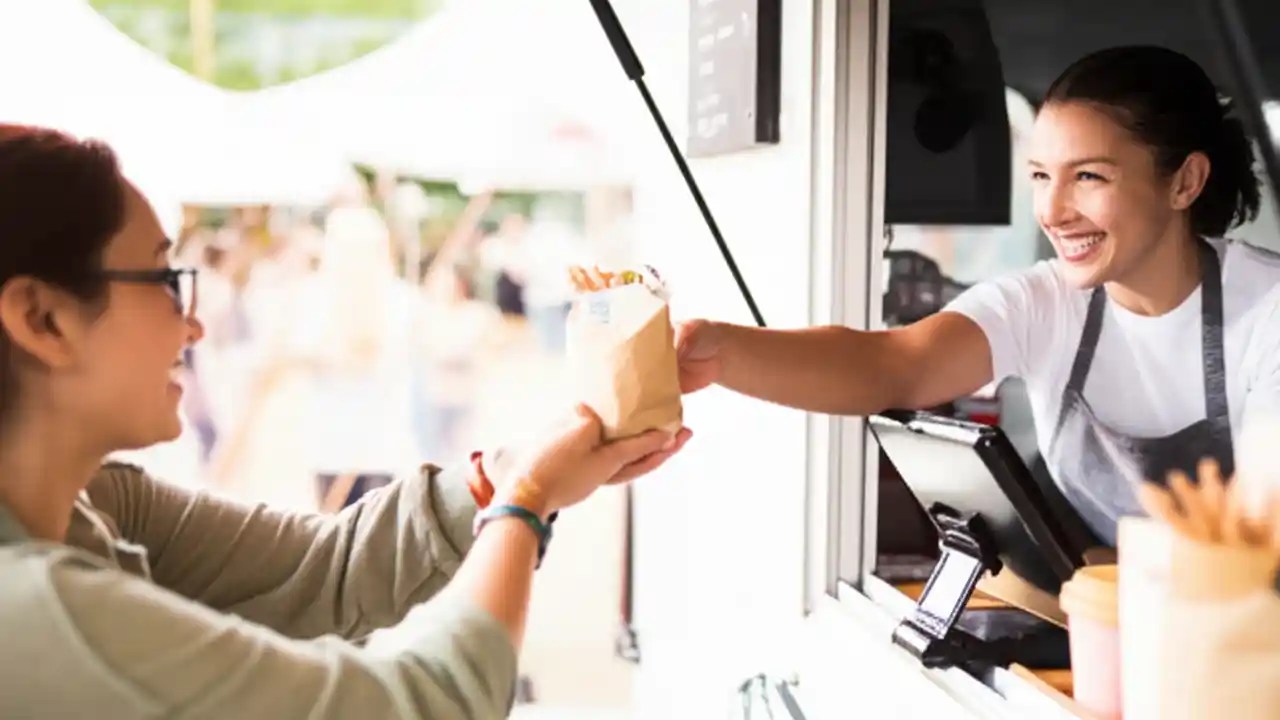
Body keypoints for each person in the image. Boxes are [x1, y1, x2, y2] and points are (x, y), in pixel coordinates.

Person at [0, 124, 691, 718]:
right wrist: (525, 505)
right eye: (164, 279)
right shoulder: (33, 614)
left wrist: (500, 477)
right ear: (42, 319)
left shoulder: (98, 501)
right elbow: (420, 702)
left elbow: (323, 568)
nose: (195, 324)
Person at [676, 46, 1280, 546]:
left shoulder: (1268, 310)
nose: (1052, 211)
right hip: (1115, 620)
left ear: (1185, 182)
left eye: (1089, 176)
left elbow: (1262, 527)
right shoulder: (1048, 303)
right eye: (1042, 175)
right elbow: (894, 364)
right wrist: (718, 350)